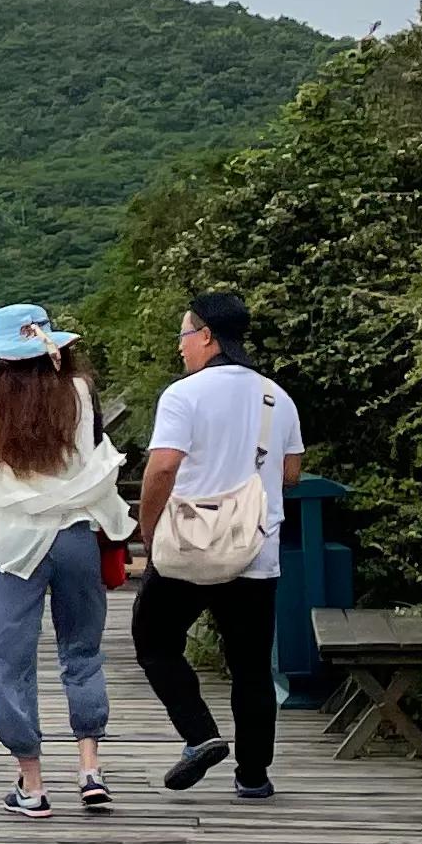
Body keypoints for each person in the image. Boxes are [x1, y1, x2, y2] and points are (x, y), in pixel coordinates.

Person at [0, 303, 132, 820]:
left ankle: (32, 782)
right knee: (82, 650)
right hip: (74, 535)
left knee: (9, 662)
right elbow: (96, 457)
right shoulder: (79, 391)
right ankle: (90, 768)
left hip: (12, 542)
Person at [134, 288, 306, 800]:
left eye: (184, 335)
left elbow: (163, 466)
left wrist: (149, 529)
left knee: (155, 642)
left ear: (207, 335)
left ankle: (200, 735)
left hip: (189, 547)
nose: (181, 347)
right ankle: (254, 776)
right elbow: (291, 473)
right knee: (251, 666)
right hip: (254, 549)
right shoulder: (278, 396)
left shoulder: (183, 395)